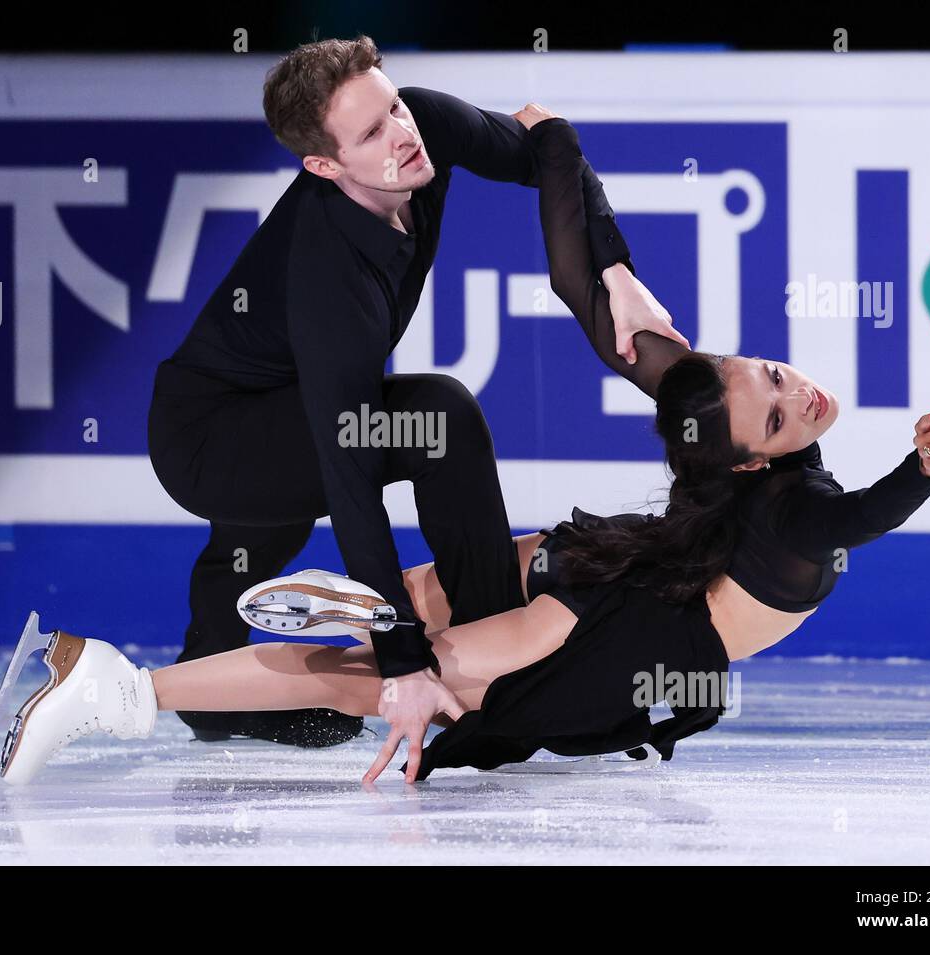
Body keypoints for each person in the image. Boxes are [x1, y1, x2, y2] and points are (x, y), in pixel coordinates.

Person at [0, 105, 930, 787]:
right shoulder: (737, 446)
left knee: (410, 627)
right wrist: (597, 229)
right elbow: (854, 514)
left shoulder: (735, 451)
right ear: (750, 456)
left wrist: (567, 173)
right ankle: (131, 685)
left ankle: (270, 645)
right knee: (403, 669)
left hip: (599, 579)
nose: (797, 388)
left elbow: (856, 514)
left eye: (781, 397)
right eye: (772, 381)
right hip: (597, 630)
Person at [145, 35, 684, 758]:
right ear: (324, 166)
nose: (402, 134)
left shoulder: (422, 127)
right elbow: (350, 473)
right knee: (442, 419)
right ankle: (505, 671)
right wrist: (400, 661)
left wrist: (616, 272)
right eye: (371, 133)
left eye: (394, 107)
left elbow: (548, 144)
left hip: (274, 399)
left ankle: (207, 690)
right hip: (207, 440)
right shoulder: (327, 271)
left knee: (277, 513)